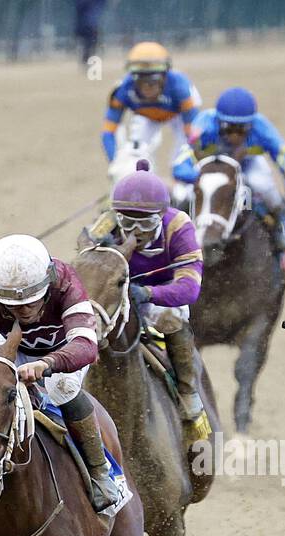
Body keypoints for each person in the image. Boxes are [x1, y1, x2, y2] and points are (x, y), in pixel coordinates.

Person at [0, 234, 122, 513]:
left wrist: (47, 363)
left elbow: (86, 346)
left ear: (47, 285)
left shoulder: (67, 283)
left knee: (62, 388)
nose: (22, 310)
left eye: (29, 303)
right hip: (11, 348)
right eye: (11, 305)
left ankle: (98, 471)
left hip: (63, 351)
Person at [83, 160, 209, 435]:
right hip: (115, 291)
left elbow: (190, 288)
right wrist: (97, 247)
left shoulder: (179, 227)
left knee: (173, 320)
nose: (135, 231)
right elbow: (85, 244)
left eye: (145, 223)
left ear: (161, 215)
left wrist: (148, 293)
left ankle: (187, 390)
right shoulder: (110, 219)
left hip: (155, 297)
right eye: (127, 222)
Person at [172, 87, 285, 266]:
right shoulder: (203, 126)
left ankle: (282, 228)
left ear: (252, 124)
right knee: (183, 194)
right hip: (212, 167)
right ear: (218, 122)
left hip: (248, 165)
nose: (234, 136)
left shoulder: (263, 129)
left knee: (264, 186)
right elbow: (180, 163)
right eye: (228, 128)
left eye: (242, 130)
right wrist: (196, 178)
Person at [100, 42, 201, 175]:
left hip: (178, 115)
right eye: (141, 79)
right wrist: (117, 162)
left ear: (165, 75)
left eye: (154, 79)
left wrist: (188, 163)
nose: (148, 85)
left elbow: (192, 135)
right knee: (136, 156)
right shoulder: (123, 90)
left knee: (180, 159)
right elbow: (108, 132)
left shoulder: (180, 88)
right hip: (146, 116)